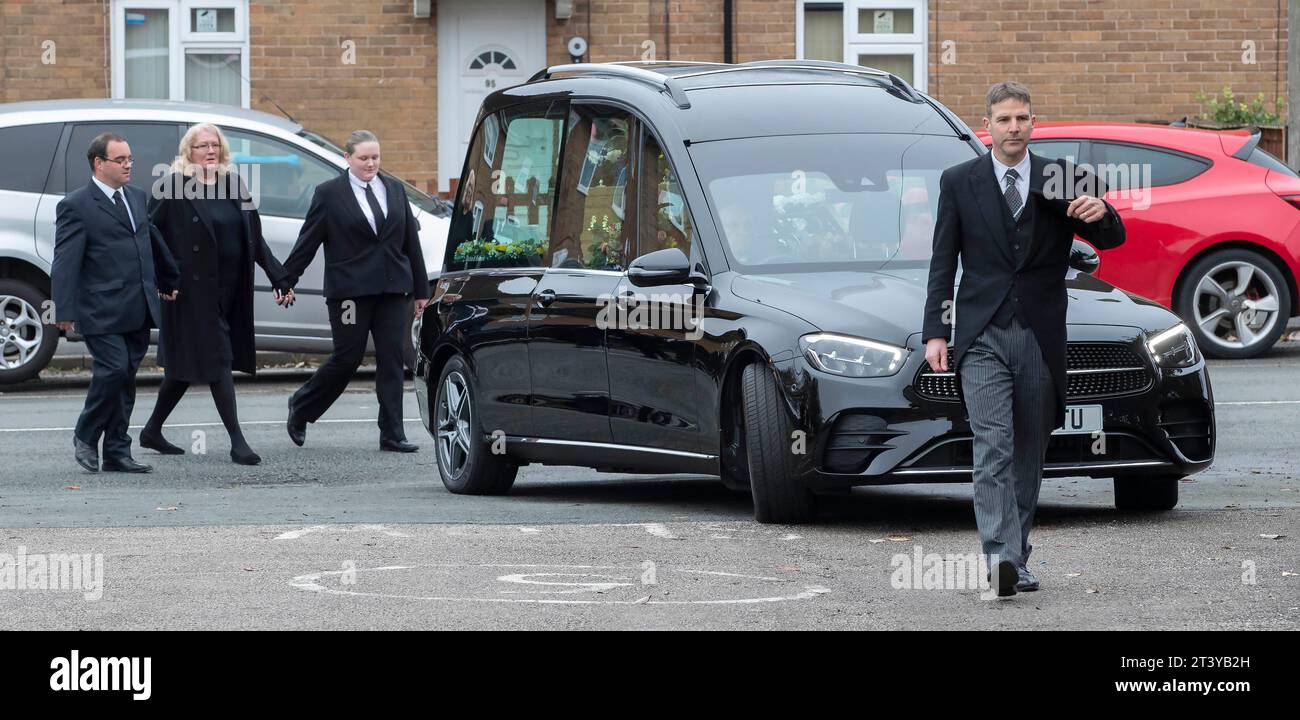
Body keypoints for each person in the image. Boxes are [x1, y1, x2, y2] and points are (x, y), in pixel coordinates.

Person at [921, 81, 1126, 597]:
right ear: (986, 126)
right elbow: (943, 263)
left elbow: (1111, 238)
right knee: (993, 445)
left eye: (1023, 119)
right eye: (1005, 120)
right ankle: (1000, 560)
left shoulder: (1063, 178)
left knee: (1030, 449)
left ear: (1034, 124)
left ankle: (1019, 553)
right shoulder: (959, 181)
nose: (1015, 128)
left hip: (1039, 332)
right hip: (981, 334)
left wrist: (1103, 213)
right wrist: (934, 333)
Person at [140, 123, 295, 465]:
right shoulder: (171, 187)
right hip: (189, 293)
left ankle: (151, 429)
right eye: (202, 146)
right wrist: (164, 278)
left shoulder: (234, 185)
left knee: (183, 369)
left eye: (215, 145)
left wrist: (279, 277)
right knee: (218, 359)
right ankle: (237, 442)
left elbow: (255, 238)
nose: (210, 151)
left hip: (230, 289)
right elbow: (148, 234)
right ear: (188, 152)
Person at [280, 130, 430, 452]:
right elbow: (308, 242)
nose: (371, 163)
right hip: (349, 293)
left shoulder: (394, 189)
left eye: (375, 157)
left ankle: (392, 433)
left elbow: (410, 243)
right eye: (364, 158)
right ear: (347, 159)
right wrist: (286, 280)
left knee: (391, 359)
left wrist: (420, 290)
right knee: (348, 358)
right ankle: (301, 406)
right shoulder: (329, 194)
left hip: (392, 289)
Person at [52, 132, 180, 473]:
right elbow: (65, 262)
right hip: (100, 307)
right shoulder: (76, 205)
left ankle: (117, 451)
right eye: (120, 160)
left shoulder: (136, 197)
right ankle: (85, 432)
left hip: (137, 305)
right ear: (99, 163)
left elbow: (151, 240)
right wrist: (62, 309)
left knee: (126, 378)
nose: (128, 166)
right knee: (114, 370)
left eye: (130, 159)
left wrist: (169, 279)